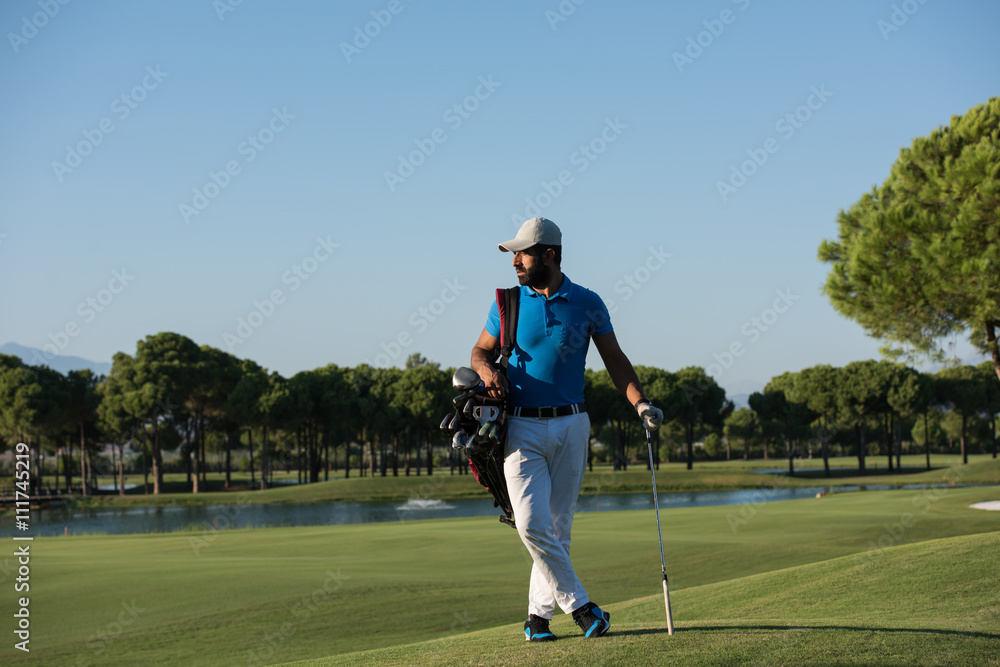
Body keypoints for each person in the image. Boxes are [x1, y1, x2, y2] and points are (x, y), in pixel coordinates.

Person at [470, 217, 664, 641]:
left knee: (558, 526)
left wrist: (641, 403)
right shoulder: (507, 303)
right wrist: (486, 371)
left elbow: (615, 359)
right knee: (530, 525)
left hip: (573, 424)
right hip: (520, 427)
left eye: (522, 253)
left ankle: (537, 620)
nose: (515, 261)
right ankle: (582, 608)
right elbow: (480, 351)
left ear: (549, 255)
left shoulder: (588, 302)